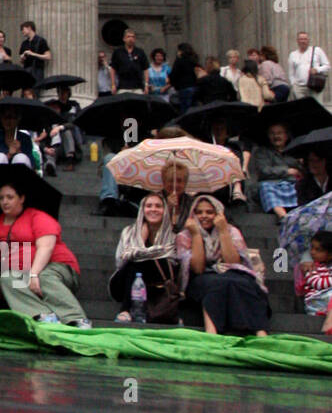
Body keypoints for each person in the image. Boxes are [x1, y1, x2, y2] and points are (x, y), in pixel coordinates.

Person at [0, 175, 89, 327]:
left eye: (10, 197)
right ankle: (43, 316)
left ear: (21, 198)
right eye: (1, 198)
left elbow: (46, 246)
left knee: (44, 276)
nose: (5, 201)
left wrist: (34, 273)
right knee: (8, 279)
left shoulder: (37, 217)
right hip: (20, 272)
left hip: (56, 266)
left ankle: (76, 319)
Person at [177, 194, 269, 335]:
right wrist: (195, 234)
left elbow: (233, 262)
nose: (204, 216)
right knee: (216, 283)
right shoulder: (185, 235)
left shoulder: (231, 231)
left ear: (218, 213)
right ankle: (211, 331)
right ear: (193, 214)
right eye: (199, 212)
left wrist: (223, 230)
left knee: (246, 283)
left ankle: (260, 332)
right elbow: (198, 268)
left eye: (209, 212)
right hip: (201, 277)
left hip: (231, 272)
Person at [110, 191, 180, 323]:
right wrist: (141, 239)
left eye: (158, 206)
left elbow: (172, 261)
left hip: (160, 283)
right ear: (142, 210)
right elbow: (120, 261)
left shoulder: (172, 235)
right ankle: (125, 309)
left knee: (141, 260)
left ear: (165, 210)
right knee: (136, 264)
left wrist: (141, 252)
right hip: (127, 280)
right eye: (149, 206)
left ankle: (131, 310)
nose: (153, 209)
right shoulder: (129, 231)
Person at [251, 122, 301, 220]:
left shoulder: (294, 151)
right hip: (272, 183)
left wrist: (301, 163)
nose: (276, 136)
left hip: (291, 182)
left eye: (279, 133)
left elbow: (301, 170)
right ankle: (283, 217)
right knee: (265, 187)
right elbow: (264, 170)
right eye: (272, 133)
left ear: (286, 135)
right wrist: (287, 171)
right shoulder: (262, 152)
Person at [287, 31, 329, 101]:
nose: (303, 41)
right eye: (301, 39)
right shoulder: (293, 55)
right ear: (297, 41)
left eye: (305, 39)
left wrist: (317, 69)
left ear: (308, 40)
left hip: (314, 86)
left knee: (316, 108)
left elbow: (327, 66)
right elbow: (291, 73)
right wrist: (293, 85)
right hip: (299, 88)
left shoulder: (317, 51)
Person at [111, 28, 149, 93]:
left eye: (133, 37)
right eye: (128, 37)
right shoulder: (118, 52)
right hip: (123, 86)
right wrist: (113, 84)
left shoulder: (140, 52)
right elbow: (113, 69)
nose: (130, 39)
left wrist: (146, 84)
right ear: (124, 39)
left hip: (138, 87)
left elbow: (145, 69)